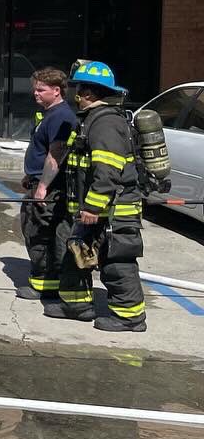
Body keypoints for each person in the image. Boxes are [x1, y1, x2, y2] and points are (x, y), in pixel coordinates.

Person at [58, 60, 147, 332]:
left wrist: (94, 207)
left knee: (116, 262)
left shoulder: (105, 124)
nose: (76, 96)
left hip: (114, 210)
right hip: (96, 208)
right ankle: (78, 307)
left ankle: (130, 318)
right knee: (78, 253)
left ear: (90, 94)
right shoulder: (93, 121)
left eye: (80, 90)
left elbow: (107, 171)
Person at [18, 67, 78, 314]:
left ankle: (44, 285)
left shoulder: (61, 117)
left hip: (50, 190)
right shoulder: (51, 114)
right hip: (39, 182)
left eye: (41, 90)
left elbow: (56, 155)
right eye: (35, 89)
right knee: (39, 233)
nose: (36, 94)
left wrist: (42, 186)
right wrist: (30, 176)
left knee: (40, 233)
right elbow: (42, 152)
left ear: (56, 90)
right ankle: (46, 284)